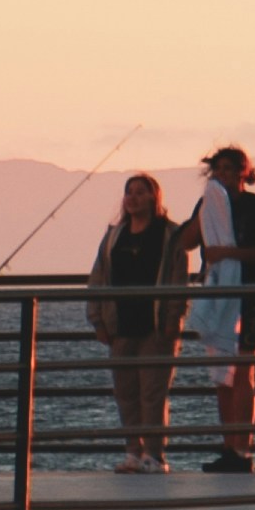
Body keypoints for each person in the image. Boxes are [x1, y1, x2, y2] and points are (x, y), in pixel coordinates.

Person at [87, 170, 188, 469]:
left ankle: (154, 455)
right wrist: (98, 320)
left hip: (155, 326)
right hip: (120, 326)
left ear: (154, 197)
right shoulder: (114, 236)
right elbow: (98, 278)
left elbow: (178, 280)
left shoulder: (170, 235)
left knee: (153, 393)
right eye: (129, 191)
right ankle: (133, 451)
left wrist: (173, 318)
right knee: (126, 393)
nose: (133, 197)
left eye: (140, 192)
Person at [179, 147, 255, 472]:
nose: (224, 175)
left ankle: (242, 448)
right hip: (217, 294)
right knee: (220, 376)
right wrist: (203, 214)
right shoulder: (209, 205)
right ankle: (228, 446)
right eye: (218, 170)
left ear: (244, 172)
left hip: (249, 297)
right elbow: (186, 241)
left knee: (242, 370)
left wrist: (230, 253)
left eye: (230, 169)